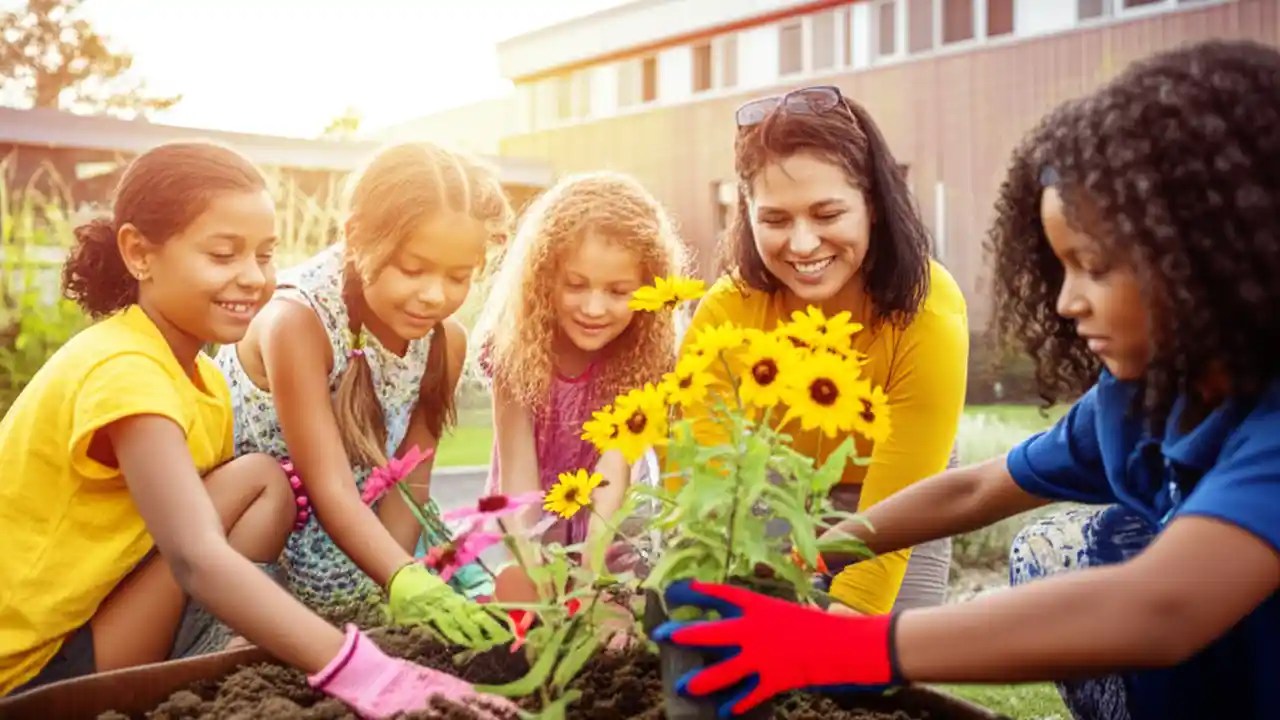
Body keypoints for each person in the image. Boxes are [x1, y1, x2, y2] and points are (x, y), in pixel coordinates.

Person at [652, 39, 1280, 720]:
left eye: (1094, 267)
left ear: (1205, 258)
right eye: (1060, 268)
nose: (1066, 302)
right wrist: (820, 558)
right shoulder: (1136, 405)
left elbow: (1162, 607)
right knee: (1055, 546)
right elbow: (976, 487)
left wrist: (849, 644)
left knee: (1082, 555)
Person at [0, 142, 514, 718]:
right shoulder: (124, 372)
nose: (252, 278)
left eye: (265, 255)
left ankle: (227, 655)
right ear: (139, 253)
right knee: (257, 495)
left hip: (103, 617)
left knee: (263, 483)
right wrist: (371, 673)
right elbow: (195, 559)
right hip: (36, 672)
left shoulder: (197, 378)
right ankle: (217, 670)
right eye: (223, 256)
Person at [679, 84, 968, 615]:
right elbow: (702, 481)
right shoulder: (726, 310)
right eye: (775, 219)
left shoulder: (928, 308)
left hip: (898, 491)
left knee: (882, 672)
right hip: (772, 489)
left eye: (828, 214)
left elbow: (894, 515)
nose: (803, 244)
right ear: (746, 214)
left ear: (873, 206)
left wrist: (845, 623)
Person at [215, 143, 509, 630]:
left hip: (373, 542)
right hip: (263, 543)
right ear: (356, 237)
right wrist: (397, 577)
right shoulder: (297, 321)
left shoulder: (443, 341)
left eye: (458, 276)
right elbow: (328, 486)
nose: (434, 295)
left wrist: (395, 588)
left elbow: (408, 484)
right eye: (412, 269)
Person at [470, 171, 688, 584]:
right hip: (528, 513)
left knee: (610, 613)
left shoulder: (647, 354)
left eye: (618, 291)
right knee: (524, 592)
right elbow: (516, 465)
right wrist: (533, 563)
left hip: (612, 520)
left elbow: (615, 468)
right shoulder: (516, 344)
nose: (593, 307)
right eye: (576, 284)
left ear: (648, 288)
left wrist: (592, 573)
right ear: (544, 276)